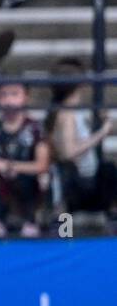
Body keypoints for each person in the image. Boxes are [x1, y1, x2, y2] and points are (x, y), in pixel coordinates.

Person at [48, 60, 117, 223]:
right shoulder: (66, 114)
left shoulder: (72, 111)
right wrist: (102, 133)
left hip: (85, 180)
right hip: (79, 185)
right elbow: (69, 151)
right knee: (109, 170)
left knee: (108, 169)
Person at [0, 80, 51, 238]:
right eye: (4, 95)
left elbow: (42, 164)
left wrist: (12, 166)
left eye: (15, 94)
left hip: (29, 178)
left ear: (26, 97)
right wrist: (2, 168)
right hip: (2, 177)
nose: (9, 100)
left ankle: (31, 220)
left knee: (37, 178)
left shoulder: (36, 128)